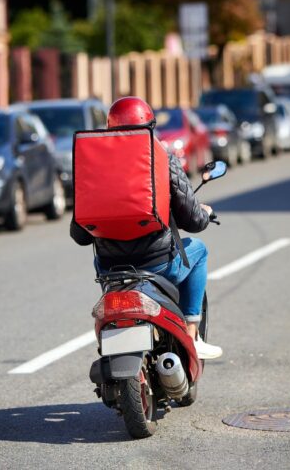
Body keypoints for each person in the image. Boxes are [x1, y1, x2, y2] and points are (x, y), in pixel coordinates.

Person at [70, 96, 223, 360]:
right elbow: (193, 221)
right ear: (150, 127)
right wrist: (205, 213)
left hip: (110, 270)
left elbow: (80, 235)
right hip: (159, 266)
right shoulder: (163, 158)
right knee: (200, 250)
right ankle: (191, 332)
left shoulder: (94, 166)